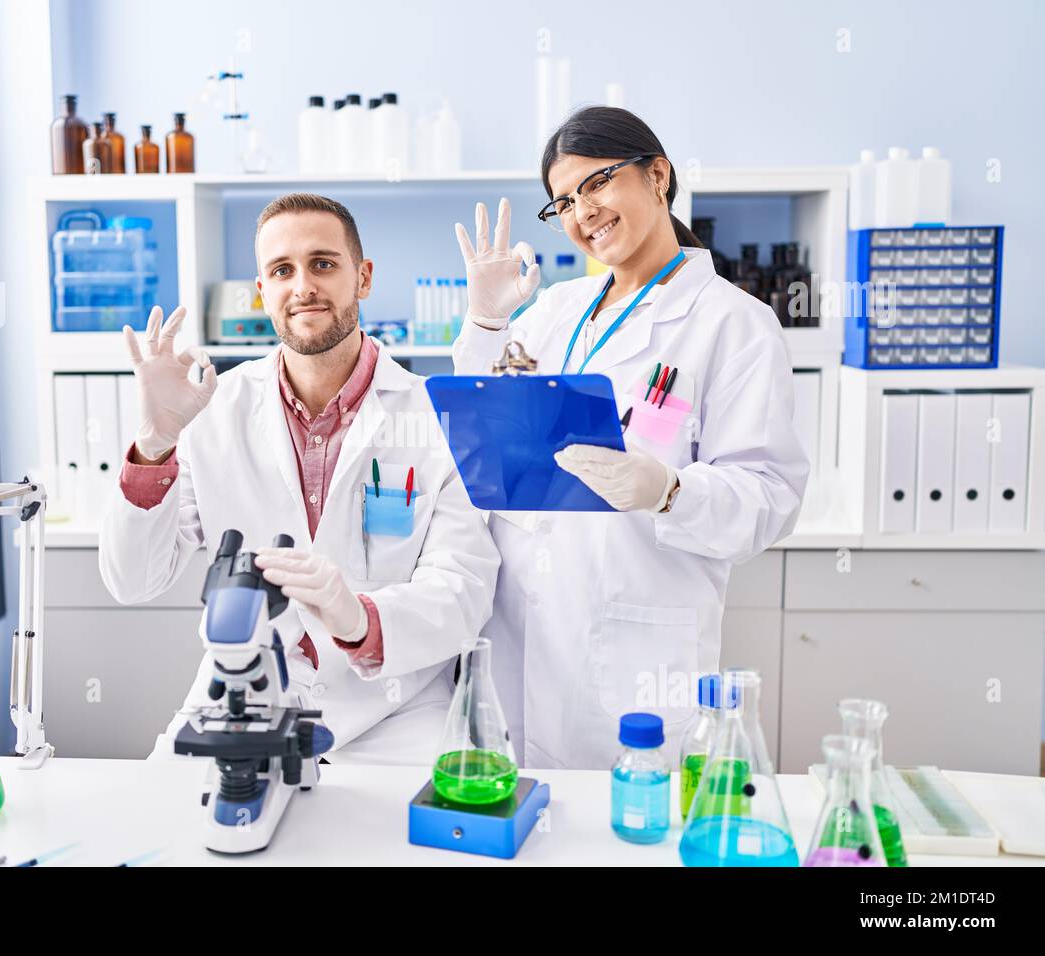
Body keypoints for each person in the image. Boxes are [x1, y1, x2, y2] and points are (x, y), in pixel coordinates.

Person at [451, 107, 809, 769]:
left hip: (635, 646)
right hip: (519, 630)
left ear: (658, 176)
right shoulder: (557, 310)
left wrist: (670, 490)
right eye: (564, 200)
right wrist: (485, 322)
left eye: (597, 183)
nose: (582, 211)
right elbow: (481, 424)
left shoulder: (735, 325)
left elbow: (770, 498)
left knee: (625, 832)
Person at [100, 192, 499, 764]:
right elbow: (132, 581)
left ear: (362, 277)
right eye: (281, 270)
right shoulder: (211, 408)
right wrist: (154, 446)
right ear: (262, 292)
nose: (303, 287)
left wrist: (358, 615)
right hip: (239, 698)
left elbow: (462, 590)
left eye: (323, 264)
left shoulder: (437, 417)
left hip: (395, 713)